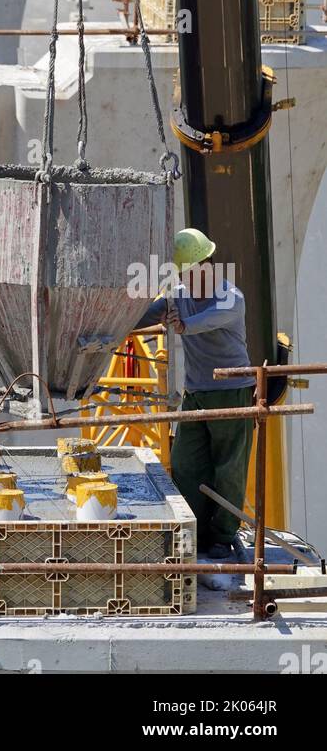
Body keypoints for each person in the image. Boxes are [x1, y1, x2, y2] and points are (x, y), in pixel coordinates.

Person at [136, 227, 254, 575]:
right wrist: (116, 322)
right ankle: (193, 534)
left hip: (232, 392)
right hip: (197, 393)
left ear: (207, 265)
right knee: (187, 465)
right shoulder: (179, 295)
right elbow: (148, 313)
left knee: (228, 469)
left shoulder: (232, 297)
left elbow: (206, 322)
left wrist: (183, 325)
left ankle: (222, 536)